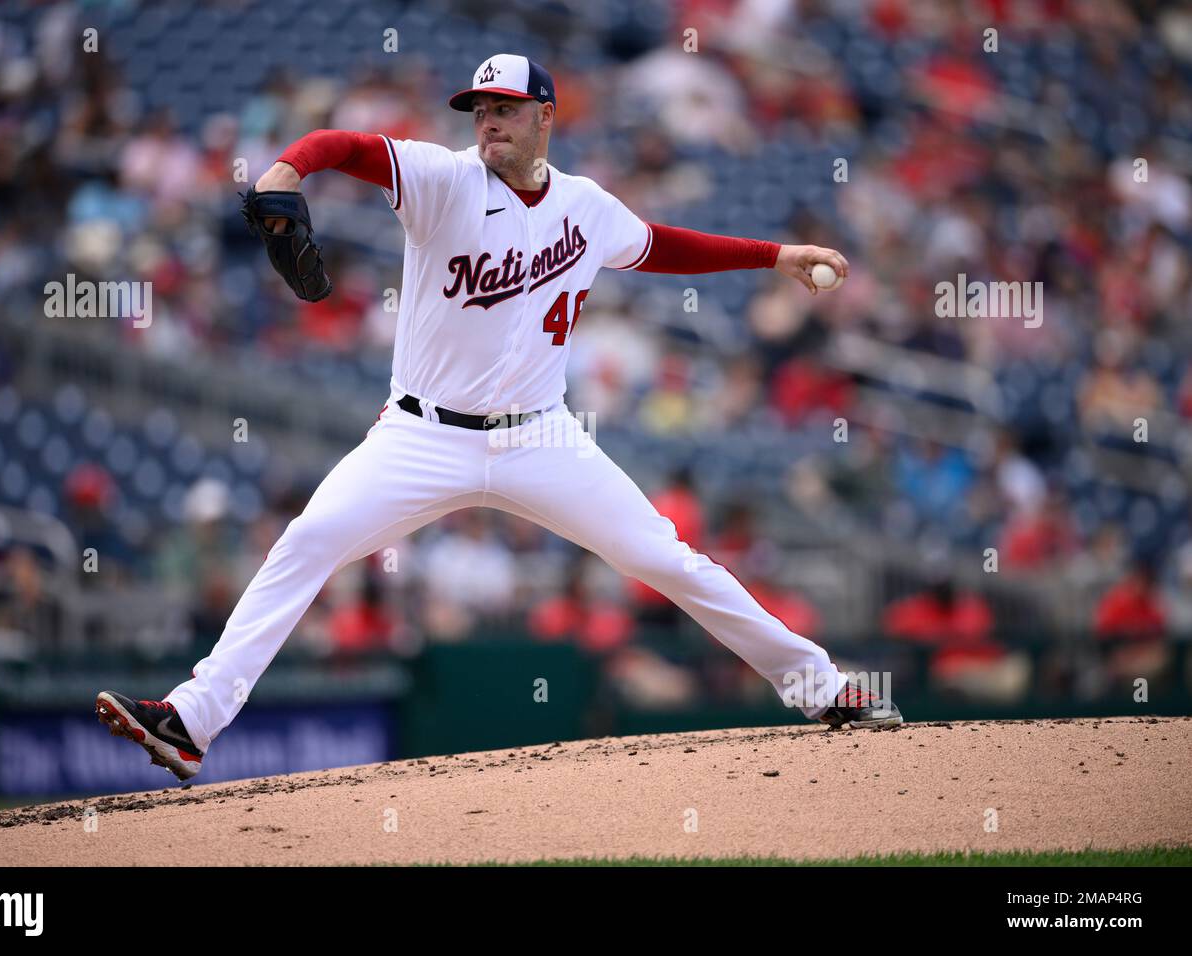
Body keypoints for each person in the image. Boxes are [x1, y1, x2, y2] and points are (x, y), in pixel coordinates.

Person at [96, 54, 901, 781]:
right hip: (420, 434)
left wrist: (774, 255)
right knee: (307, 542)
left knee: (667, 558)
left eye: (506, 107)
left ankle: (823, 688)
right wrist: (284, 170)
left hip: (539, 436)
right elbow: (345, 145)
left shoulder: (584, 206)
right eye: (480, 107)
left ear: (545, 117)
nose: (488, 119)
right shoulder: (444, 180)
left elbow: (660, 245)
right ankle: (192, 719)